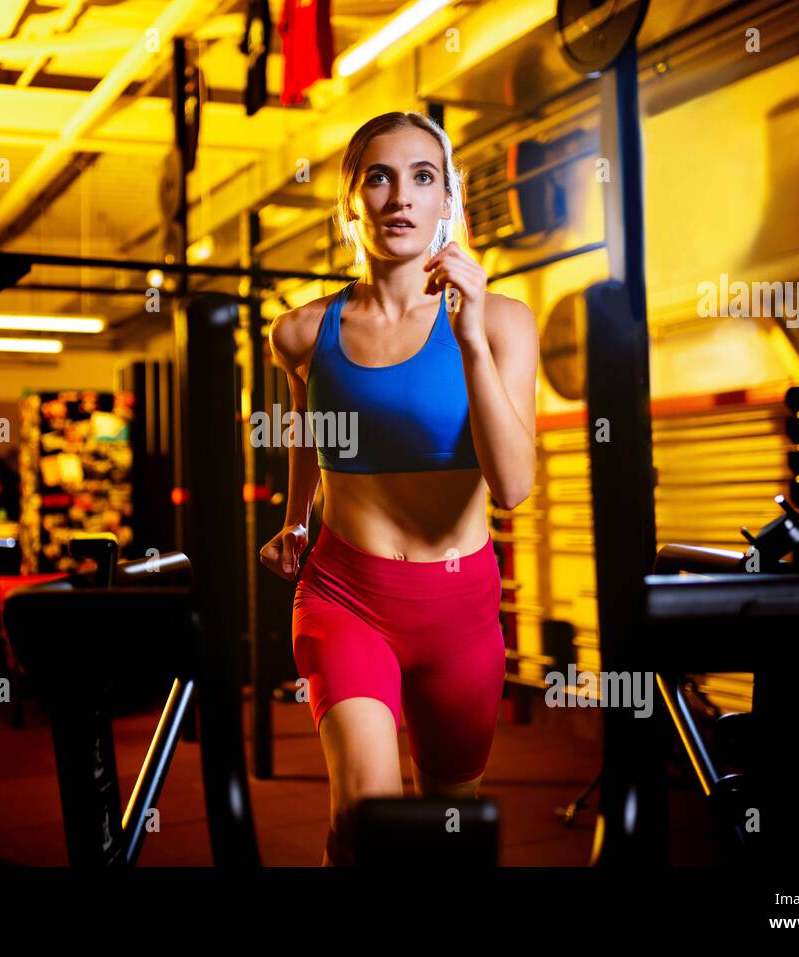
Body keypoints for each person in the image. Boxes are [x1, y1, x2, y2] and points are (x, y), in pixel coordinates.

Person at [259, 111, 539, 866]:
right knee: (365, 820)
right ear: (351, 202)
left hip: (462, 608)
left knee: (448, 828)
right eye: (378, 178)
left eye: (422, 177)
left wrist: (471, 337)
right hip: (346, 597)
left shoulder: (506, 322)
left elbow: (513, 486)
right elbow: (306, 430)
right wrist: (296, 518)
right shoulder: (299, 332)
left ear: (448, 200)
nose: (400, 197)